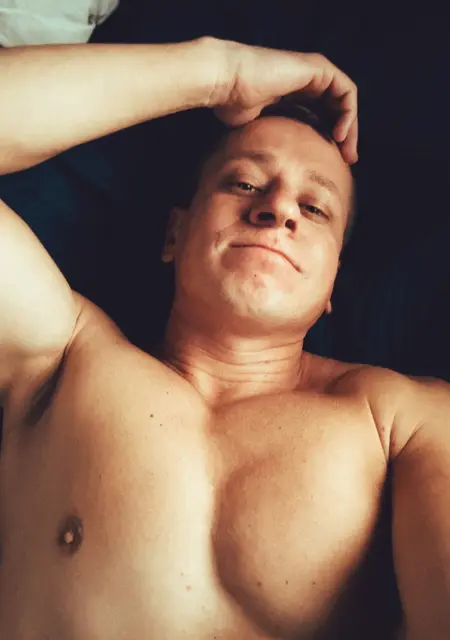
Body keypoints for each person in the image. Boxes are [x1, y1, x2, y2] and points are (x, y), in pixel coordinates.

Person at [0, 36, 448, 640]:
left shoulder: (401, 422)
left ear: (334, 282)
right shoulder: (60, 357)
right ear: (174, 234)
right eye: (243, 183)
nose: (278, 209)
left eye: (315, 208)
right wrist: (218, 73)